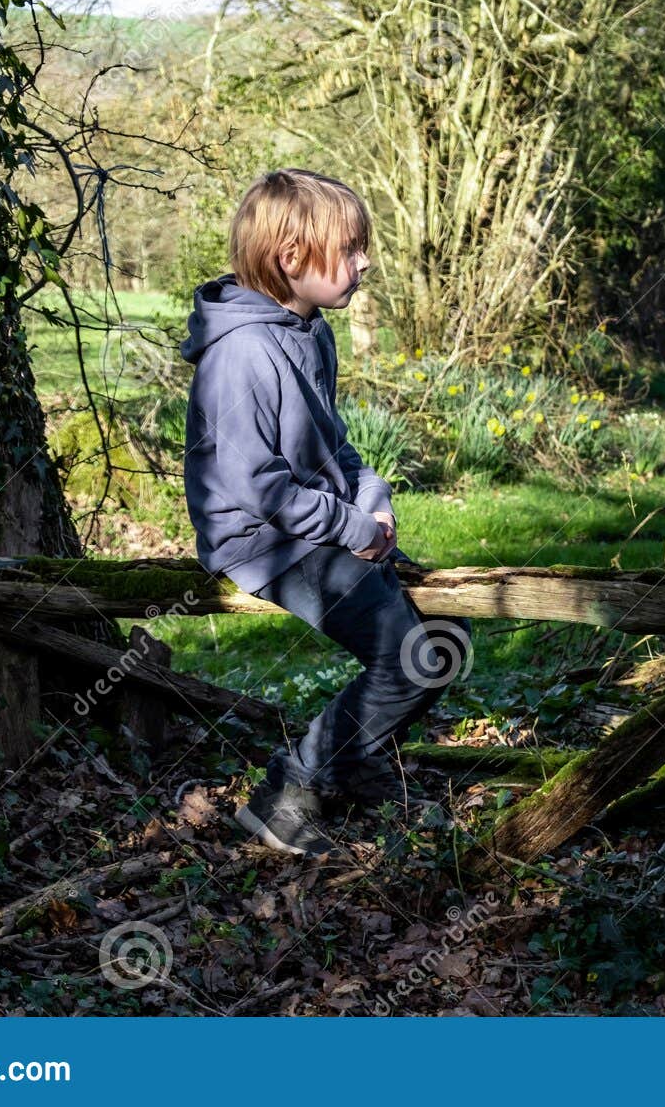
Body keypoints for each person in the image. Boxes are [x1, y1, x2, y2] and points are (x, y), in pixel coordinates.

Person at [179, 168, 473, 858]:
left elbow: (333, 444)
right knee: (409, 657)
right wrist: (350, 529)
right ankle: (287, 793)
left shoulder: (309, 331)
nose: (365, 260)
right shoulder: (243, 352)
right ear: (290, 258)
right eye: (350, 247)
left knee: (445, 635)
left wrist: (372, 499)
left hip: (317, 525)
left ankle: (349, 766)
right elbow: (256, 486)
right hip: (262, 540)